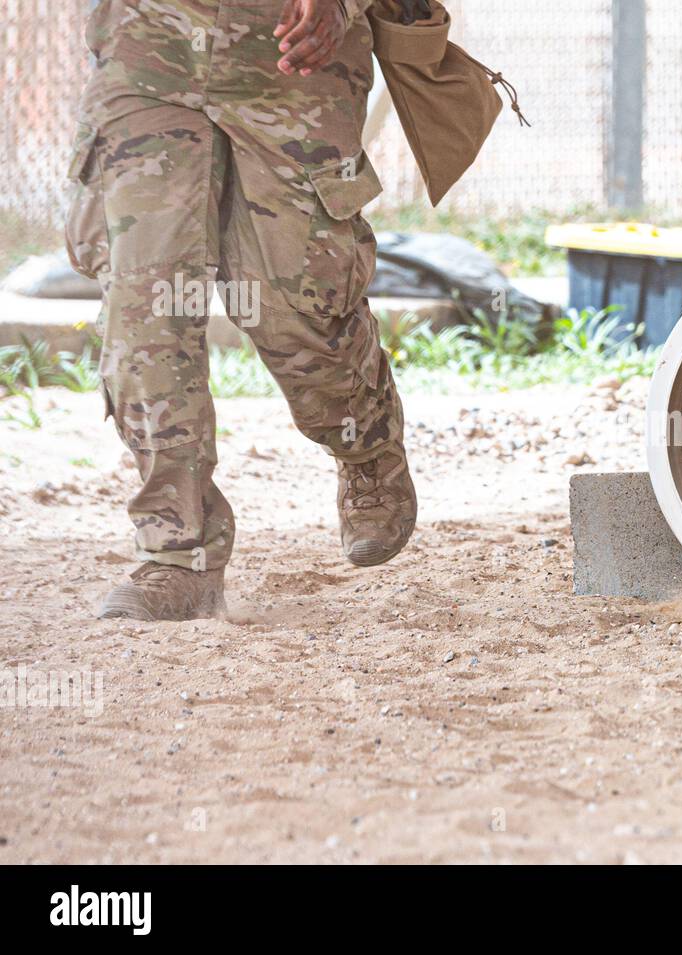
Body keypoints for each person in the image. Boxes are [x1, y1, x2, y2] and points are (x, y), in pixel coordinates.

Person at [65, 0, 416, 621]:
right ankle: (180, 554)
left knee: (294, 309)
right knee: (147, 309)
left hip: (290, 48)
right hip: (151, 44)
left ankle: (366, 444)